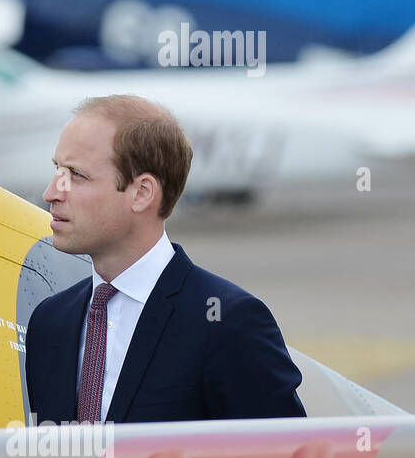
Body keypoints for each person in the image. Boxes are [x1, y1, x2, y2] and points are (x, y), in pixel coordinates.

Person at [25, 94, 305, 424]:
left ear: (142, 193)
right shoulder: (49, 322)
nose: (51, 192)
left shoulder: (228, 322)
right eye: (57, 170)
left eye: (76, 175)